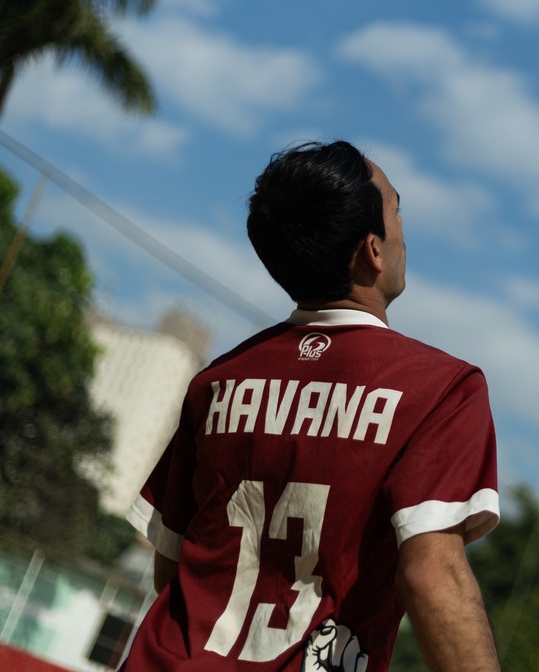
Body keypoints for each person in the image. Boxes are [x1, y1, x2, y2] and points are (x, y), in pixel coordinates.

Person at [119, 140, 501, 671]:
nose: (404, 231)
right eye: (397, 209)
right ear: (372, 249)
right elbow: (431, 572)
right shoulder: (440, 388)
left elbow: (175, 571)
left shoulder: (216, 383)